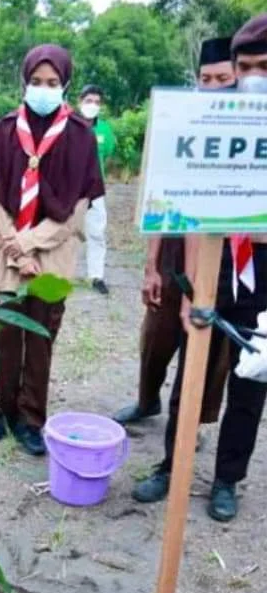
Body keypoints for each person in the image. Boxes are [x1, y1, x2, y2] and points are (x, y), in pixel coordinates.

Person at [133, 14, 267, 522]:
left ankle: (228, 478)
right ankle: (173, 465)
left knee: (251, 383)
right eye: (246, 66)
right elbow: (189, 212)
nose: (252, 77)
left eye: (262, 67)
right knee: (191, 372)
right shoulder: (211, 125)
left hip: (263, 278)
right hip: (211, 269)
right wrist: (190, 292)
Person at [0, 44, 105, 457]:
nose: (43, 89)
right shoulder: (2, 130)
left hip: (52, 255)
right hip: (6, 252)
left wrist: (30, 243)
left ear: (65, 84)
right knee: (8, 339)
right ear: (25, 82)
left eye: (52, 83)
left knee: (41, 341)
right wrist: (15, 249)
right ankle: (5, 409)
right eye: (36, 82)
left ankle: (33, 418)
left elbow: (76, 214)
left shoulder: (81, 137)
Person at [113, 37, 236, 428]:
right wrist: (151, 267)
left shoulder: (248, 131)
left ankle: (190, 423)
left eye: (222, 78)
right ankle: (147, 400)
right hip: (173, 247)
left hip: (224, 255)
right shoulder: (180, 123)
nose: (212, 87)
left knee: (208, 348)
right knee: (157, 334)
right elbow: (158, 201)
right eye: (205, 78)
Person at [77, 84, 116, 295]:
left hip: (95, 188)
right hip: (70, 187)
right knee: (64, 231)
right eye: (89, 101)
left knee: (96, 232)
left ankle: (96, 276)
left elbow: (108, 152)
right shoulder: (68, 125)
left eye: (97, 102)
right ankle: (57, 273)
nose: (93, 105)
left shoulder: (105, 130)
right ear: (79, 101)